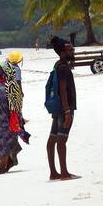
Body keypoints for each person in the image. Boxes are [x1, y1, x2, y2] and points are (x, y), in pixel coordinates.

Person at [45, 37, 78, 180]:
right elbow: (63, 90)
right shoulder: (63, 67)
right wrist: (67, 112)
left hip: (58, 108)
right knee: (61, 140)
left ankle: (53, 172)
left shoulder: (58, 65)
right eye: (70, 49)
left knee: (53, 139)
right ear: (63, 52)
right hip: (65, 108)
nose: (73, 51)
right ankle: (64, 172)